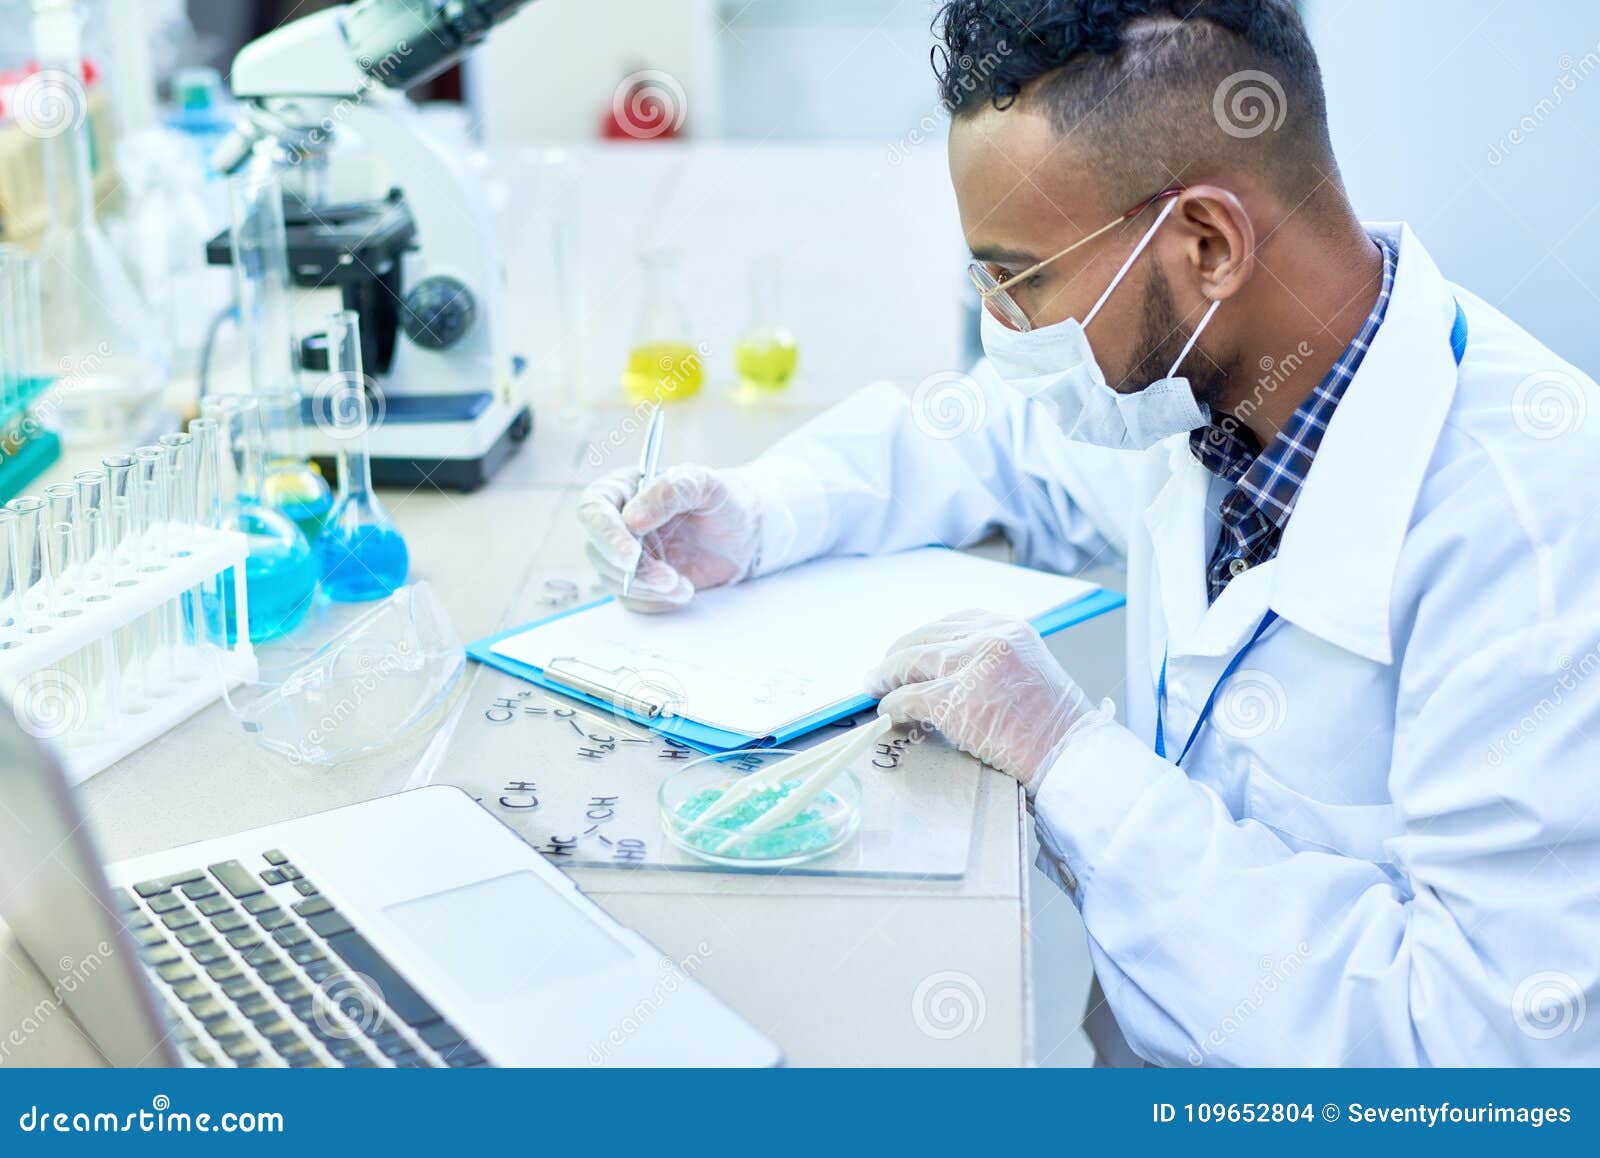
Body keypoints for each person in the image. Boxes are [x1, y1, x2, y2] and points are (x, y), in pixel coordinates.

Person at [578, 0, 1600, 1066]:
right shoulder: (1203, 381)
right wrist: (754, 514)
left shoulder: (1534, 533)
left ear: (1206, 243)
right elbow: (988, 437)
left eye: (1019, 279)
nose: (1002, 330)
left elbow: (1484, 1054)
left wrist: (1069, 761)